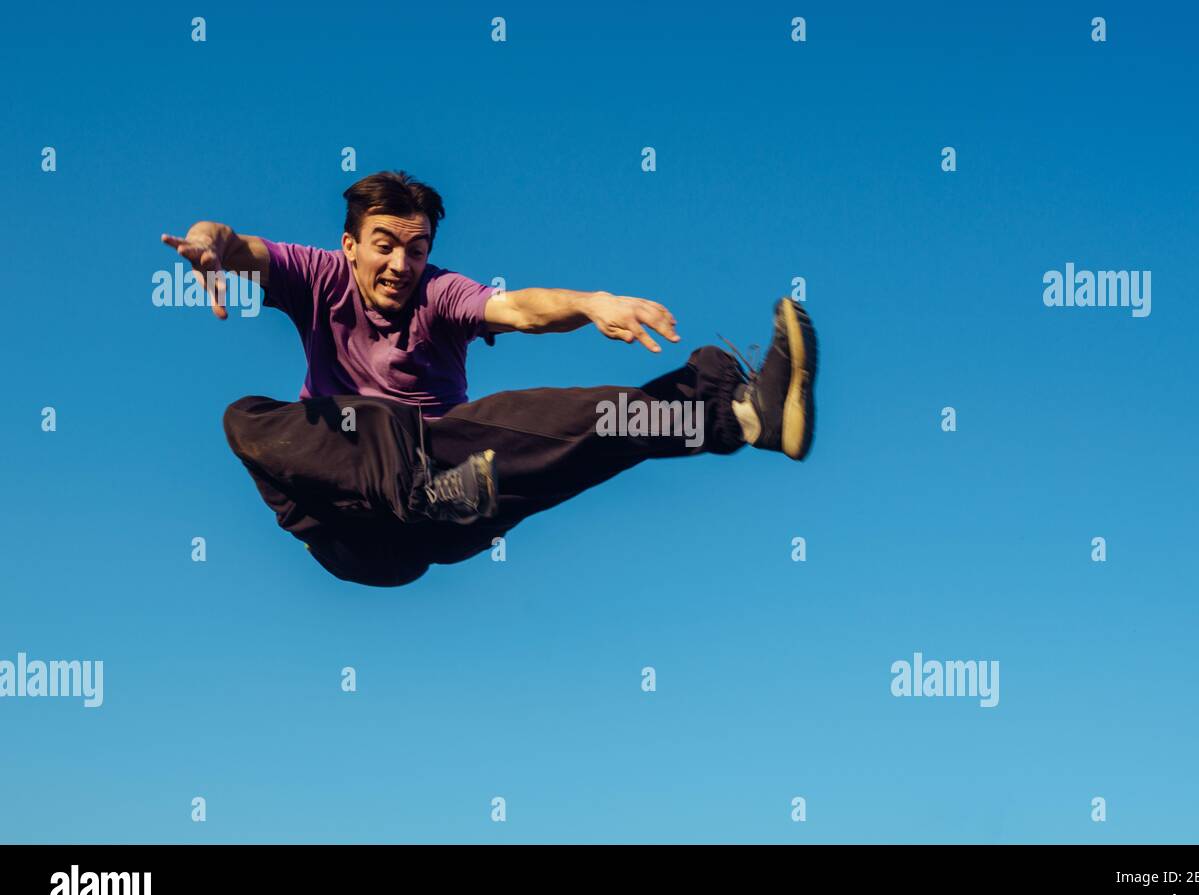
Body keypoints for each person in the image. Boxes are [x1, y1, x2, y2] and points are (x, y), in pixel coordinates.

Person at [160, 170, 819, 587]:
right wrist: (210, 243)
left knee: (587, 421)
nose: (399, 265)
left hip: (449, 501)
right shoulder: (316, 275)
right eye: (384, 245)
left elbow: (518, 308)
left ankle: (745, 415)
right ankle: (414, 487)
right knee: (244, 417)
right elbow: (235, 241)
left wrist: (590, 303)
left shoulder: (440, 294)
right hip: (349, 529)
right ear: (349, 245)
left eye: (416, 251)